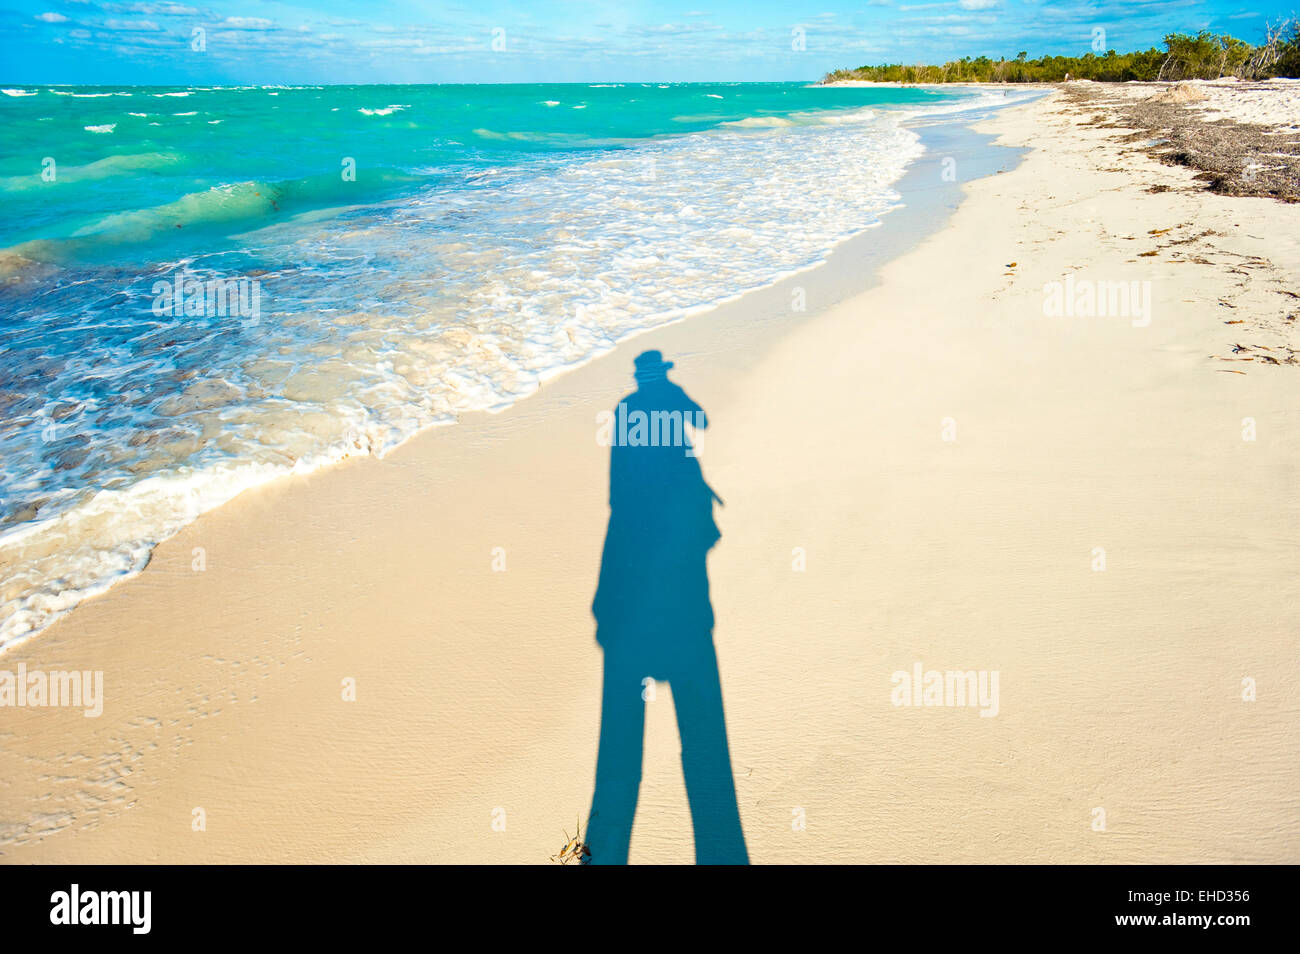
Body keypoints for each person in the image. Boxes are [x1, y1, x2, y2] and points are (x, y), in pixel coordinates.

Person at [585, 350, 749, 864]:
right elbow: (701, 423)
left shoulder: (624, 410)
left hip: (637, 513)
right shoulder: (673, 401)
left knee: (619, 754)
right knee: (704, 740)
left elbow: (616, 485)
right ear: (664, 374)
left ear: (639, 377)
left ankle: (609, 843)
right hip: (675, 508)